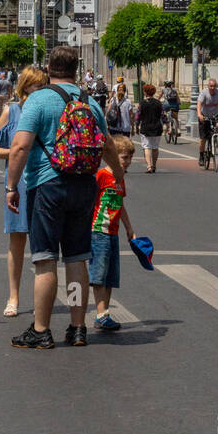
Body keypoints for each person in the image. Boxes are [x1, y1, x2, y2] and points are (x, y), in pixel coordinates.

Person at [5, 46, 126, 350]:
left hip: (48, 186)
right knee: (76, 259)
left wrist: (11, 185)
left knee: (45, 259)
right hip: (83, 186)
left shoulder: (39, 99)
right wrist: (118, 176)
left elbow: (20, 146)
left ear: (49, 68)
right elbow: (108, 144)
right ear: (76, 69)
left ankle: (41, 329)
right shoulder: (90, 103)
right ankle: (77, 327)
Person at [0, 65, 48, 317]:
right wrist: (17, 150)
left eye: (42, 85)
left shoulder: (47, 111)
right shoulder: (11, 111)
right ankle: (13, 297)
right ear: (24, 87)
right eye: (35, 85)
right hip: (17, 182)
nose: (39, 90)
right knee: (17, 240)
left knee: (44, 243)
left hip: (45, 180)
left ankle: (43, 296)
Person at [80, 134, 136, 332]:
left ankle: (104, 315)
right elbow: (89, 200)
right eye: (123, 157)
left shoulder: (120, 179)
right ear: (112, 156)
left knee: (111, 275)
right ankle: (101, 314)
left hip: (113, 232)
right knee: (99, 273)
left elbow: (121, 205)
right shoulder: (102, 175)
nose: (127, 162)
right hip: (98, 231)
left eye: (129, 157)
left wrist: (129, 229)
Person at [196, 77, 218, 165]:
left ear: (216, 86)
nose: (212, 88)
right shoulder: (204, 92)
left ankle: (217, 139)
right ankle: (201, 156)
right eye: (211, 86)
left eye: (214, 86)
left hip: (215, 114)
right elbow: (199, 104)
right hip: (204, 115)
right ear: (208, 86)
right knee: (203, 138)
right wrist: (199, 114)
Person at [134, 83, 165, 173]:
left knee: (147, 147)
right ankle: (154, 165)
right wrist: (167, 124)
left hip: (146, 127)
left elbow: (138, 115)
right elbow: (163, 115)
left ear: (145, 92)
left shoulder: (142, 103)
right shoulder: (158, 103)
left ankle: (149, 166)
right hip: (157, 127)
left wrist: (136, 125)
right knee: (155, 147)